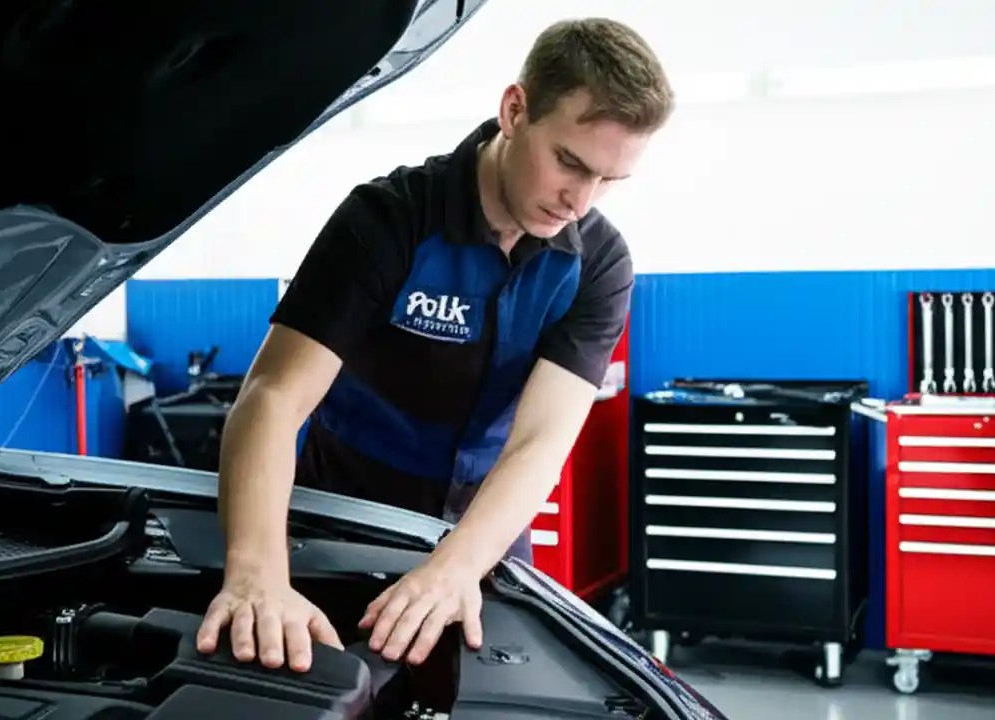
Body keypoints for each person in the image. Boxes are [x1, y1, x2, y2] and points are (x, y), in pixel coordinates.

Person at [195, 17, 673, 674]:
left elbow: (541, 441)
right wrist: (255, 572)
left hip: (485, 531)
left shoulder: (598, 263)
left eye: (609, 180)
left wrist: (458, 567)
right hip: (345, 516)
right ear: (515, 110)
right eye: (569, 162)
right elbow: (273, 395)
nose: (580, 201)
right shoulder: (387, 220)